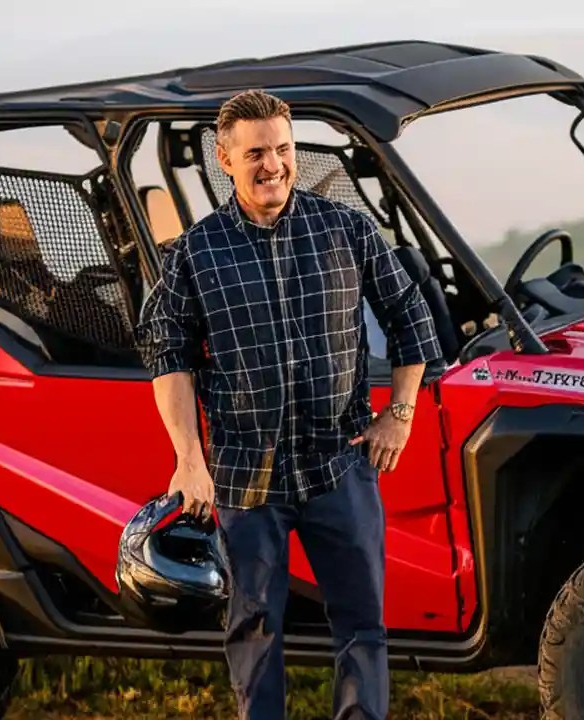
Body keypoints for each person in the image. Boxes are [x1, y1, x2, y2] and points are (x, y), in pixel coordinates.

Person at [135, 89, 442, 720]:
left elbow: (413, 316)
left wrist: (401, 412)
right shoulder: (197, 252)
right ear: (225, 158)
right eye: (256, 153)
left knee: (363, 625)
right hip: (246, 479)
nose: (273, 164)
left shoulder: (345, 229)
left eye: (282, 148)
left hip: (340, 465)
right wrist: (188, 460)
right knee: (253, 632)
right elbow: (168, 356)